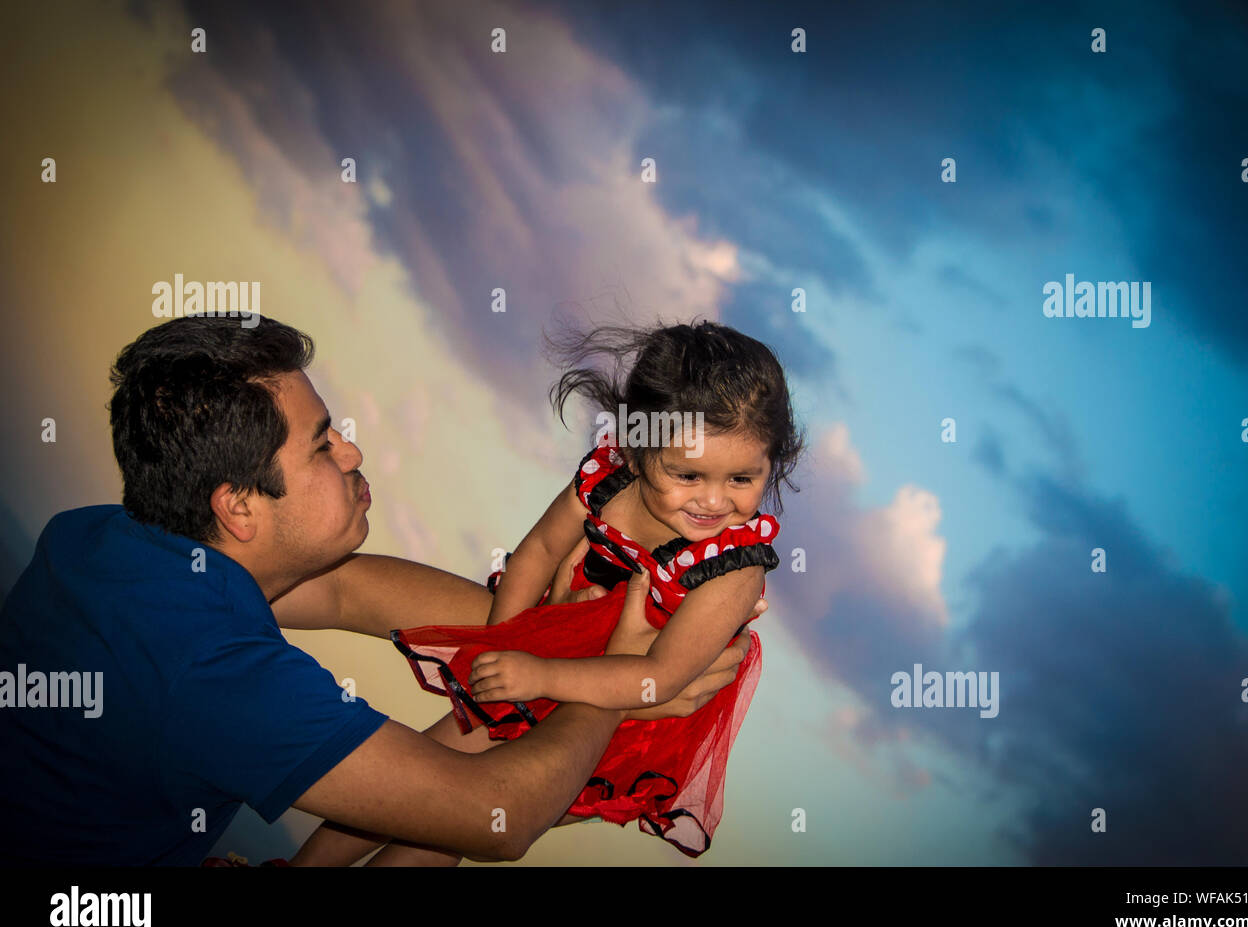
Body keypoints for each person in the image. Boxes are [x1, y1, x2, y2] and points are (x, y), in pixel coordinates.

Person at [0, 314, 756, 867]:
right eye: (322, 443)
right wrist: (619, 679)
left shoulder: (101, 540)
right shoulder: (209, 672)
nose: (353, 448)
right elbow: (494, 817)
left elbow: (350, 594)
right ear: (238, 505)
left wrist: (560, 637)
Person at [302, 319, 803, 864]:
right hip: (554, 644)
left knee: (458, 816)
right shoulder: (608, 483)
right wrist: (501, 641)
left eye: (741, 479)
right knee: (429, 770)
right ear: (635, 452)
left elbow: (660, 678)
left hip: (629, 704)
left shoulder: (732, 566)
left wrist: (538, 674)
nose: (713, 501)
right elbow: (540, 551)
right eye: (689, 475)